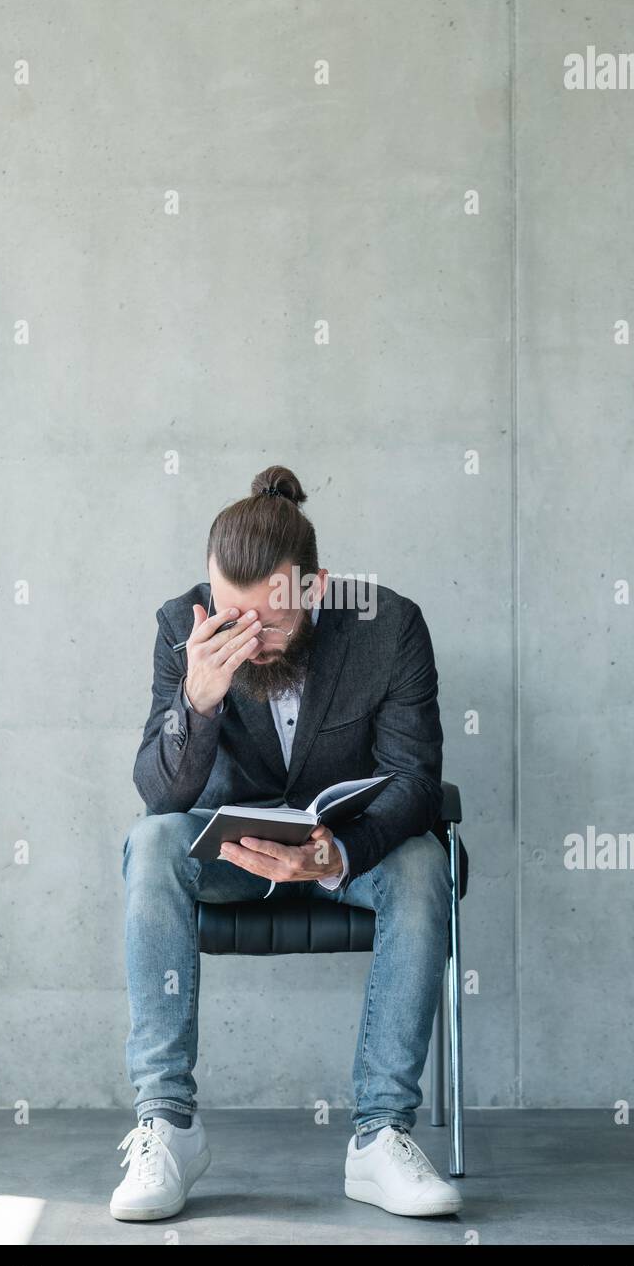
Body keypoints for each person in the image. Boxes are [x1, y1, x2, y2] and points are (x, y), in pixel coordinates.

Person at [111, 464, 461, 1222]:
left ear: (316, 588)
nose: (250, 638)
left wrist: (340, 852)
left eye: (269, 621)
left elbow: (414, 778)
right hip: (233, 858)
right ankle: (166, 1125)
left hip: (345, 854)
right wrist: (197, 701)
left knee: (426, 861)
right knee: (152, 845)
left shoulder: (388, 625)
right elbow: (161, 795)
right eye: (231, 617)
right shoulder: (183, 626)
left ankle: (380, 1137)